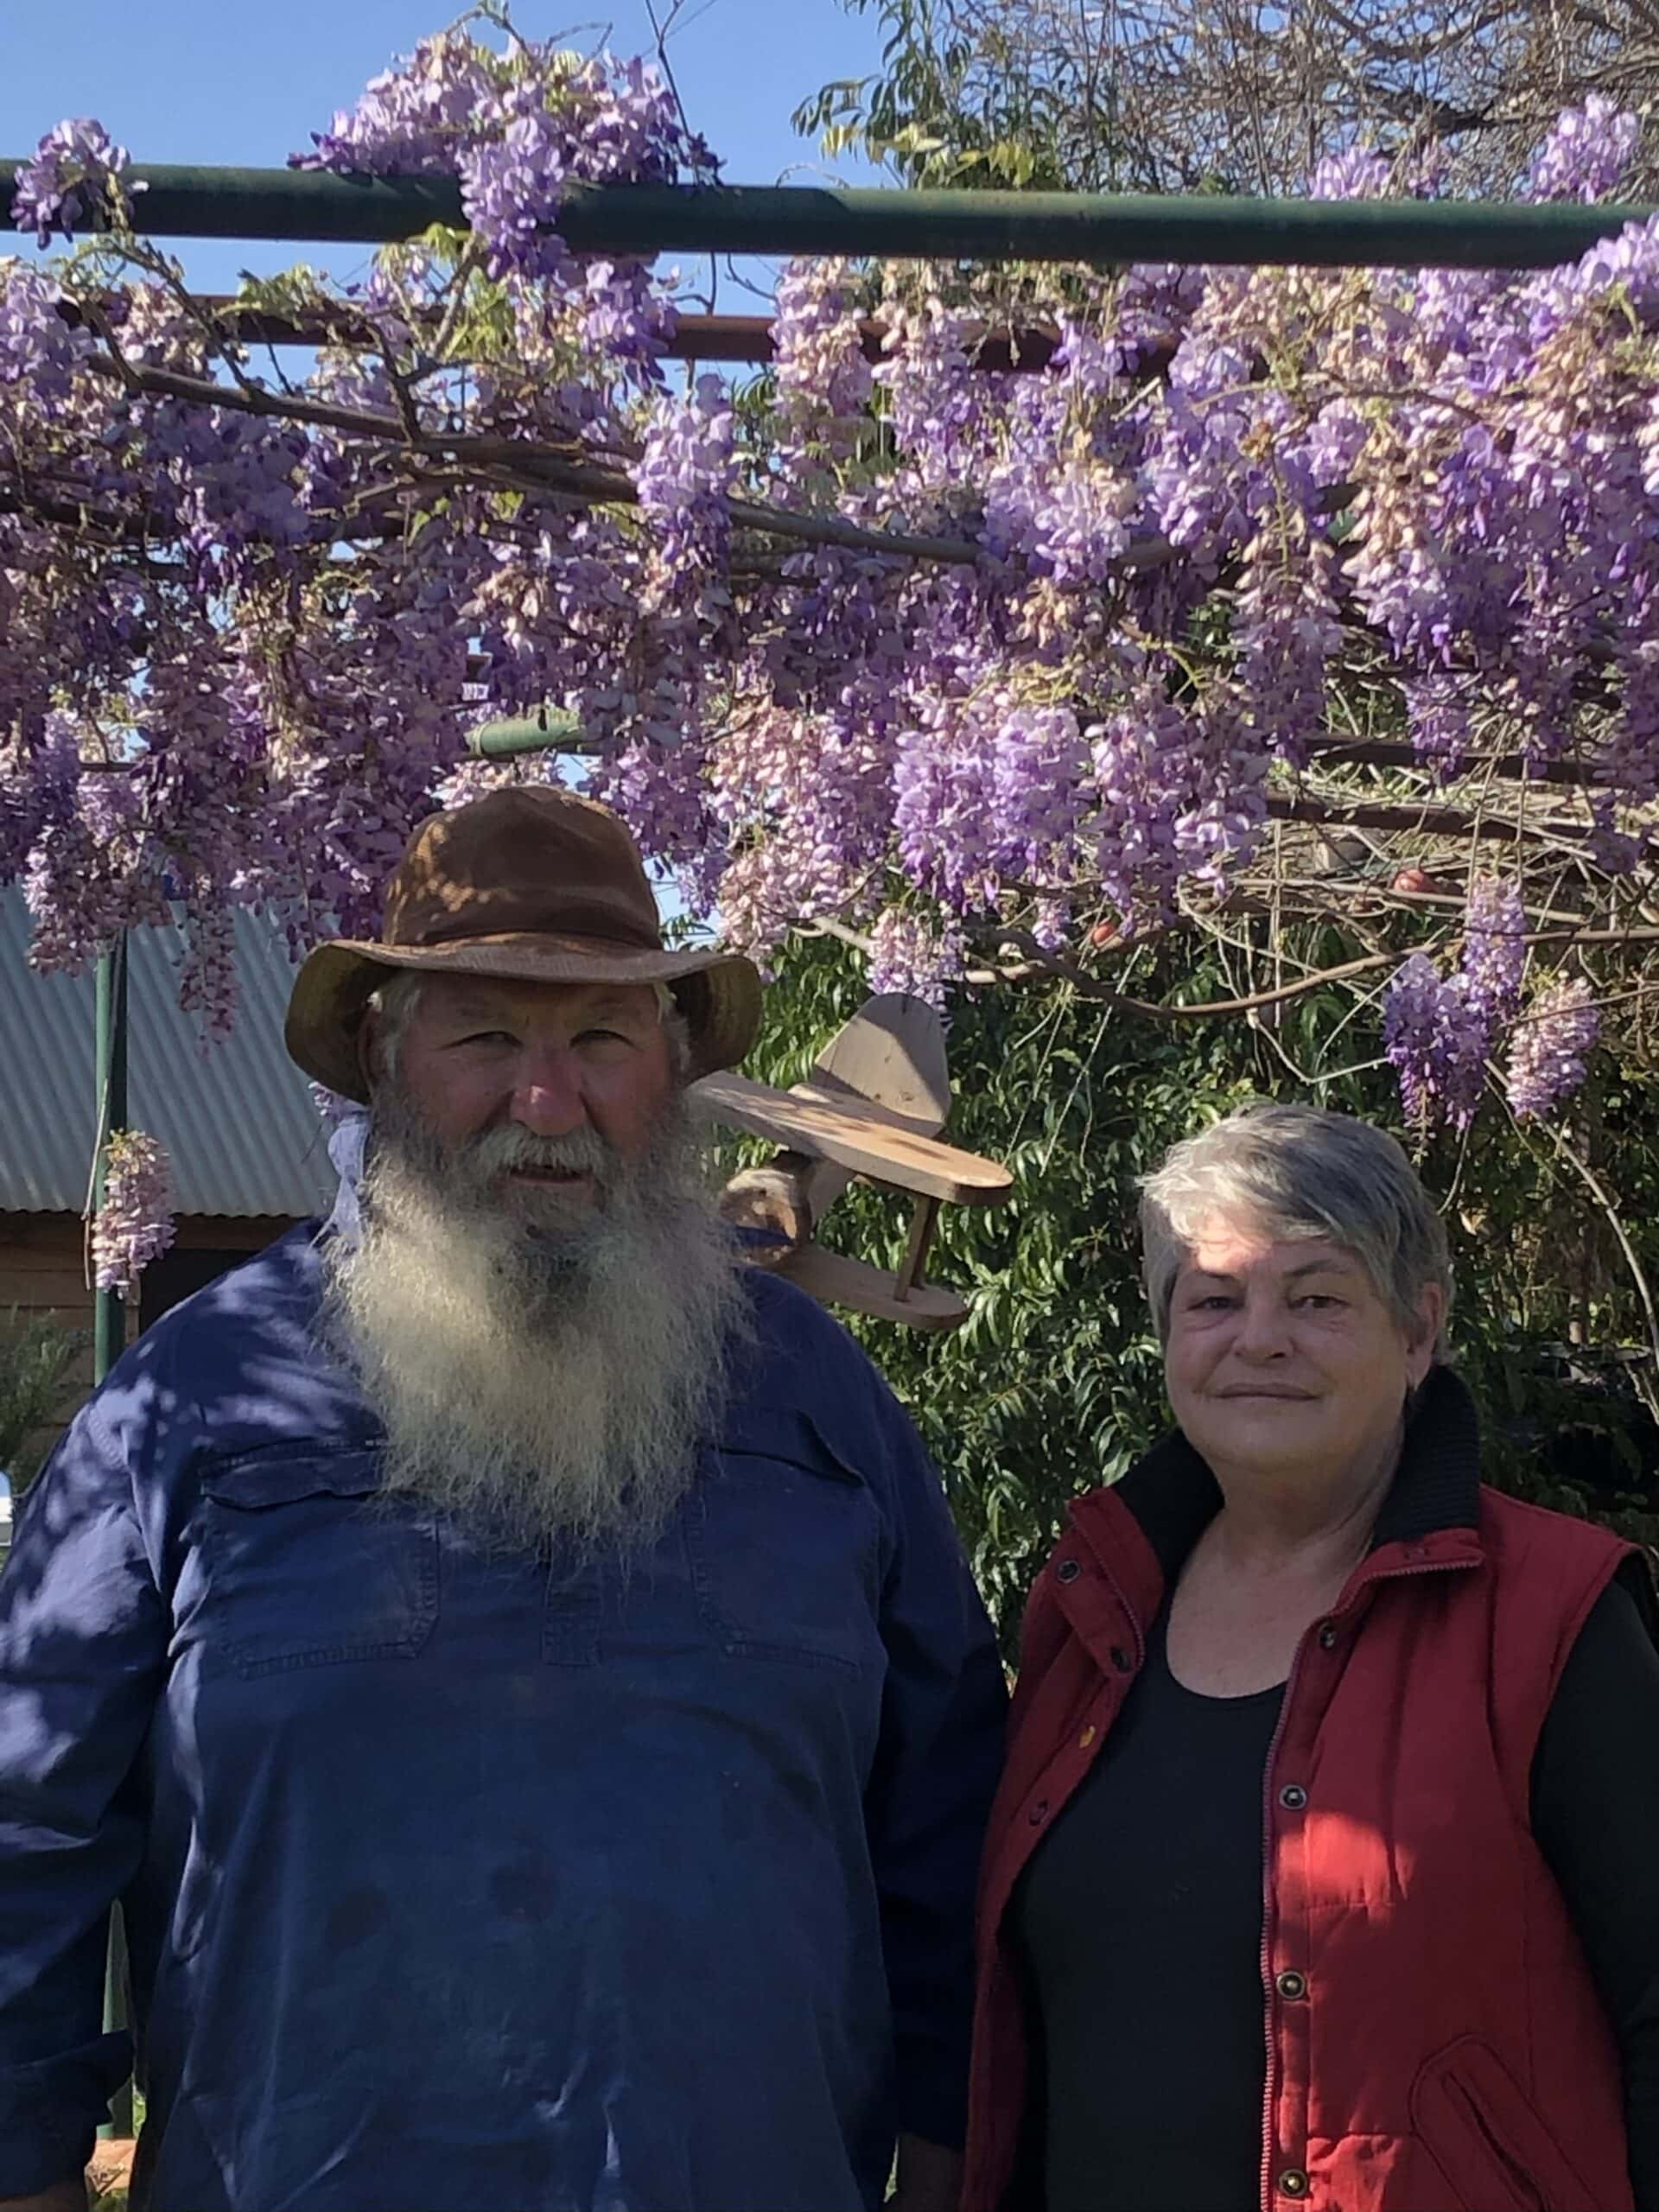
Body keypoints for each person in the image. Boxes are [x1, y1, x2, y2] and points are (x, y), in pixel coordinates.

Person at [0, 785, 1007, 2212]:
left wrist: (955, 2151)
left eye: (601, 1039)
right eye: (484, 1038)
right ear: (382, 1055)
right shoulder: (198, 1400)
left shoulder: (810, 1399)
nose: (547, 1102)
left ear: (673, 1070)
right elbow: (26, 1823)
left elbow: (950, 1818)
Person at [963, 1102, 1659, 2212]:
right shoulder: (1094, 1608)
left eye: (1317, 1297)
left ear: (1418, 1331)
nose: (1261, 1339)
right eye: (1214, 1299)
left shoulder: (1554, 1615)